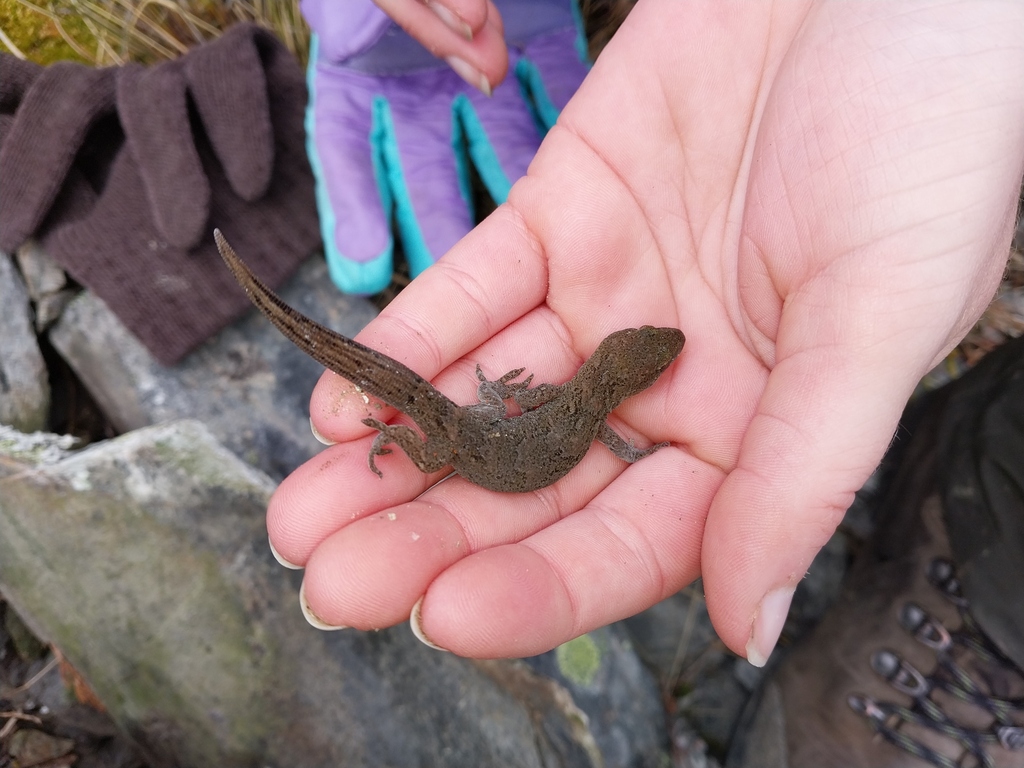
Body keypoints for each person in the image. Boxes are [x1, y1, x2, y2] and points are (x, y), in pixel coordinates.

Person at [269, 0, 1024, 675]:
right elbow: (617, 447)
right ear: (618, 371)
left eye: (653, 351)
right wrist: (637, 449)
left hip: (474, 428)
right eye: (653, 353)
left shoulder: (579, 401)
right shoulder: (590, 413)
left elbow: (557, 425)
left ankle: (397, 421)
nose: (665, 352)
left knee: (422, 409)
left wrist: (501, 402)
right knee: (419, 428)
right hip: (472, 441)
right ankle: (395, 428)